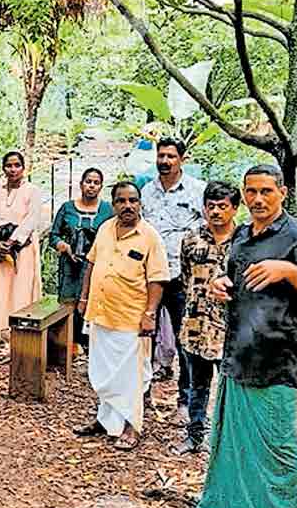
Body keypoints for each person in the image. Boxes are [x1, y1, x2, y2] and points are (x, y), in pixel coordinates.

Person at [191, 164, 297, 508]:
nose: (258, 199)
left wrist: (290, 272)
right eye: (252, 191)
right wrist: (219, 285)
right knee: (234, 441)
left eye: (266, 192)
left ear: (283, 193)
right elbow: (230, 277)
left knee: (277, 442)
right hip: (239, 349)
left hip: (278, 356)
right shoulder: (241, 235)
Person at [73, 181, 169, 450]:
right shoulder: (105, 228)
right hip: (101, 312)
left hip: (132, 317)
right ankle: (105, 420)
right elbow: (92, 264)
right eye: (121, 201)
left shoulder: (149, 236)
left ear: (140, 203)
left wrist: (150, 313)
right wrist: (83, 297)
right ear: (113, 204)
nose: (127, 206)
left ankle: (131, 425)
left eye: (133, 200)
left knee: (131, 375)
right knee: (103, 370)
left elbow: (157, 280)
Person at [172, 181, 240, 455]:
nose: (216, 212)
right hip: (195, 327)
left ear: (234, 209)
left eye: (223, 206)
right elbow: (186, 277)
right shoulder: (191, 239)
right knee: (197, 385)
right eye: (211, 206)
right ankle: (195, 434)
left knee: (230, 387)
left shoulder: (244, 242)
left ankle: (227, 439)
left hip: (230, 329)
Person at [139, 137, 207, 412]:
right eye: (161, 155)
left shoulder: (196, 191)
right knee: (143, 336)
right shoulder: (145, 191)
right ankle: (140, 394)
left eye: (171, 156)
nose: (165, 161)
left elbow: (207, 230)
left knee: (184, 339)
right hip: (149, 277)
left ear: (182, 159)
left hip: (182, 277)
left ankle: (185, 398)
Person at [0, 151, 44, 353]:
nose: (13, 169)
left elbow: (32, 218)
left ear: (23, 168)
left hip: (21, 249)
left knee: (20, 293)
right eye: (9, 165)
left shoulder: (32, 191)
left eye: (17, 165)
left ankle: (17, 342)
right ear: (3, 168)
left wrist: (12, 241)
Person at [49, 167, 113, 350]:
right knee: (68, 305)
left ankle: (91, 346)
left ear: (101, 186)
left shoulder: (107, 210)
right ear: (81, 184)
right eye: (88, 181)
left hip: (96, 266)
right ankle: (67, 346)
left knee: (92, 304)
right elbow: (54, 235)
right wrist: (64, 246)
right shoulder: (67, 208)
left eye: (96, 182)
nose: (91, 186)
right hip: (69, 266)